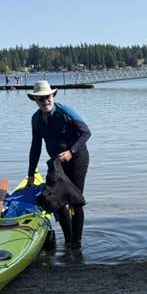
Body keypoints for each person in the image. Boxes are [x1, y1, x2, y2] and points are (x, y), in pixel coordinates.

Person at [26, 80, 91, 249]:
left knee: (75, 201)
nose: (45, 101)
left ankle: (76, 243)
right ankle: (68, 240)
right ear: (35, 100)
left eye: (47, 97)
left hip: (77, 159)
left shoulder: (65, 112)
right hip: (57, 164)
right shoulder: (36, 120)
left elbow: (86, 133)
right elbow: (35, 147)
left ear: (52, 96)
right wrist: (31, 173)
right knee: (57, 201)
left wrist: (71, 152)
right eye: (41, 99)